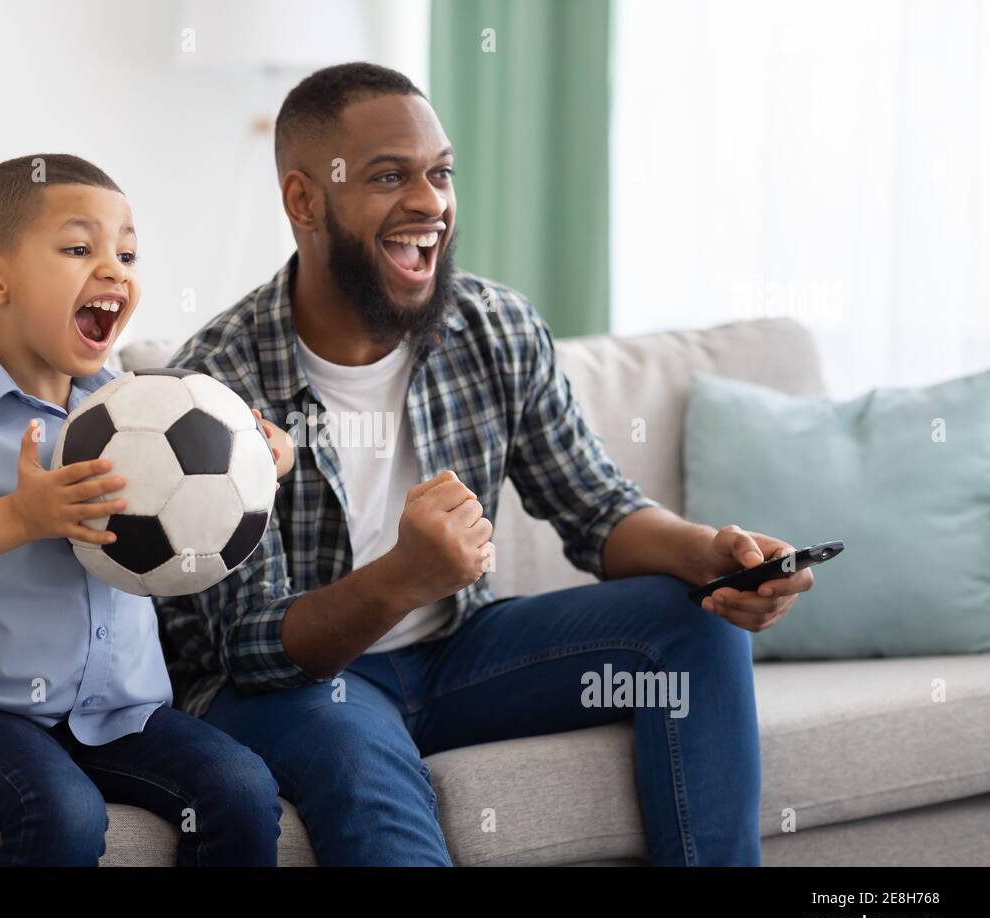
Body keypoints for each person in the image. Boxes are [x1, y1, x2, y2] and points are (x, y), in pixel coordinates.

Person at [154, 64, 815, 866]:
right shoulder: (212, 390)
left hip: (462, 653)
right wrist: (403, 576)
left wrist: (712, 554)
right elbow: (249, 649)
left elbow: (595, 508)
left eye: (441, 173)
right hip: (301, 689)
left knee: (694, 620)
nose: (431, 203)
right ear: (303, 201)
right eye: (389, 177)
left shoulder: (493, 326)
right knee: (354, 750)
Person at [0, 154, 293, 866]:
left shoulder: (147, 410)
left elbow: (204, 511)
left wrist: (256, 466)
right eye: (79, 248)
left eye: (126, 252)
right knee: (65, 812)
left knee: (242, 790)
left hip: (121, 717)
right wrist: (19, 517)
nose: (114, 270)